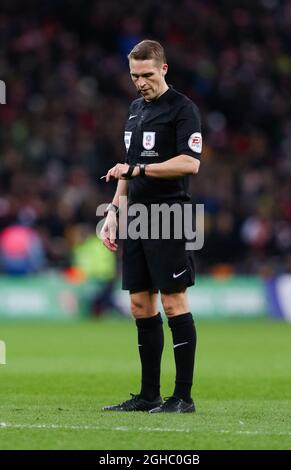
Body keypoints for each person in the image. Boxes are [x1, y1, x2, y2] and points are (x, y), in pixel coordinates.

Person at [100, 40, 202, 413]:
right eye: (134, 75)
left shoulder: (183, 109)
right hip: (137, 217)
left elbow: (190, 163)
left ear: (164, 69)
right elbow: (128, 165)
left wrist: (138, 169)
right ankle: (148, 396)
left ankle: (183, 397)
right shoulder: (134, 111)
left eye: (146, 74)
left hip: (170, 213)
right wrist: (113, 211)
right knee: (141, 304)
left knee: (174, 303)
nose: (140, 82)